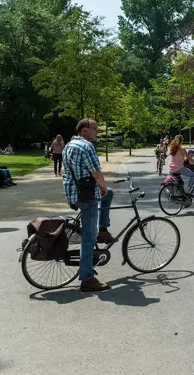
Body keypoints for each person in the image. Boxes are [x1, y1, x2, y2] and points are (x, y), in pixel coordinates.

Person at [62, 118, 115, 292]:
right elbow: (96, 172)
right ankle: (87, 278)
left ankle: (103, 230)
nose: (97, 132)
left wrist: (106, 190)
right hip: (87, 196)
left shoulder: (69, 145)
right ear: (84, 130)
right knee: (88, 238)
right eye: (95, 129)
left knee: (110, 193)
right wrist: (103, 187)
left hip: (73, 193)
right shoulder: (87, 146)